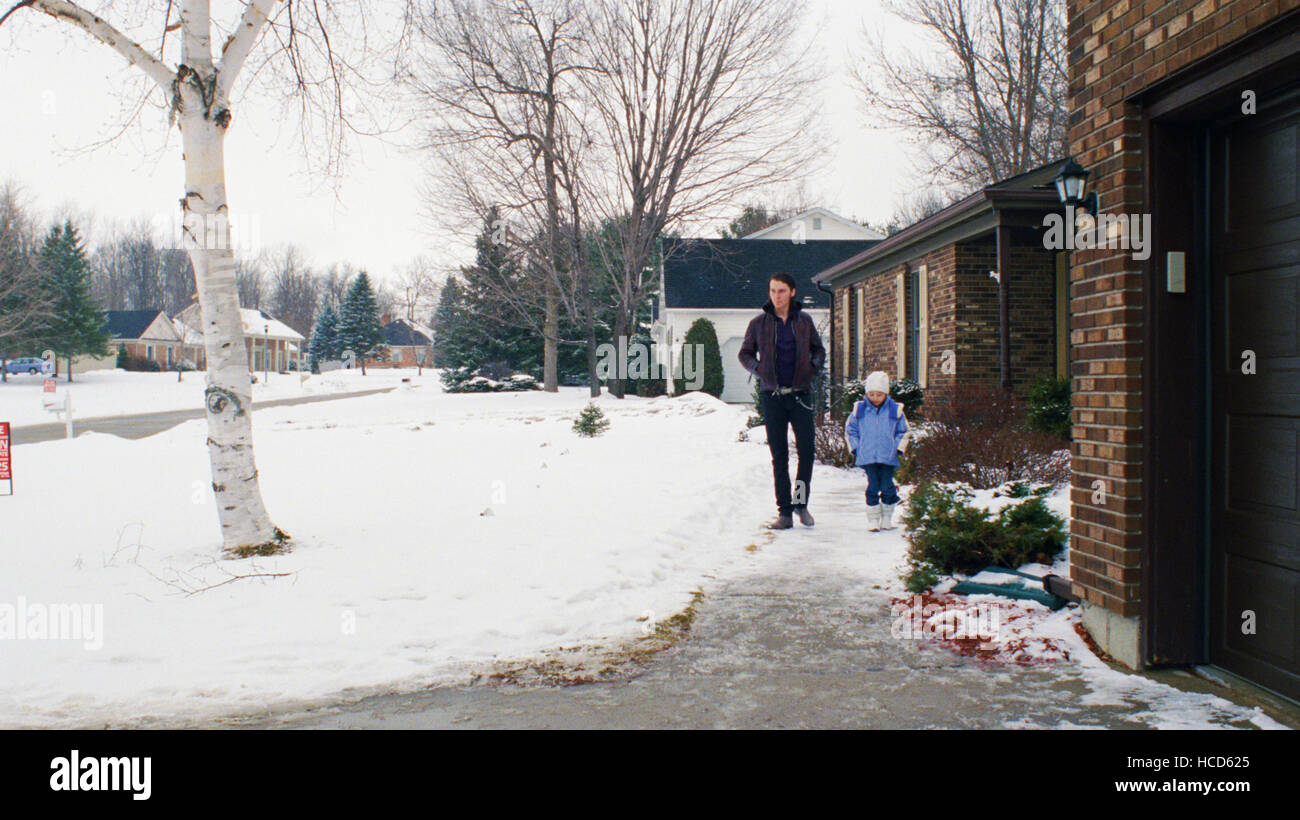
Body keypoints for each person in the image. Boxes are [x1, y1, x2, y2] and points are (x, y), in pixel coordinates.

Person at [738, 273, 826, 530]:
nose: (777, 296)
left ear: (793, 292)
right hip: (772, 397)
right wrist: (758, 368)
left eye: (782, 291)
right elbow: (744, 353)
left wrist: (813, 366)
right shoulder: (759, 323)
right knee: (780, 456)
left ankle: (801, 504)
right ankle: (785, 512)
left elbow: (818, 349)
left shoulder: (804, 321)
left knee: (807, 452)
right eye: (773, 291)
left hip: (800, 395)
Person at [844, 371, 911, 531]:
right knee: (873, 485)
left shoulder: (895, 410)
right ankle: (873, 518)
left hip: (888, 456)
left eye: (879, 394)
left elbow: (904, 431)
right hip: (867, 456)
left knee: (887, 485)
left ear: (885, 394)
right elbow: (850, 430)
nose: (875, 398)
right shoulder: (859, 410)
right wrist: (856, 447)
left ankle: (887, 517)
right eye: (871, 394)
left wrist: (897, 448)